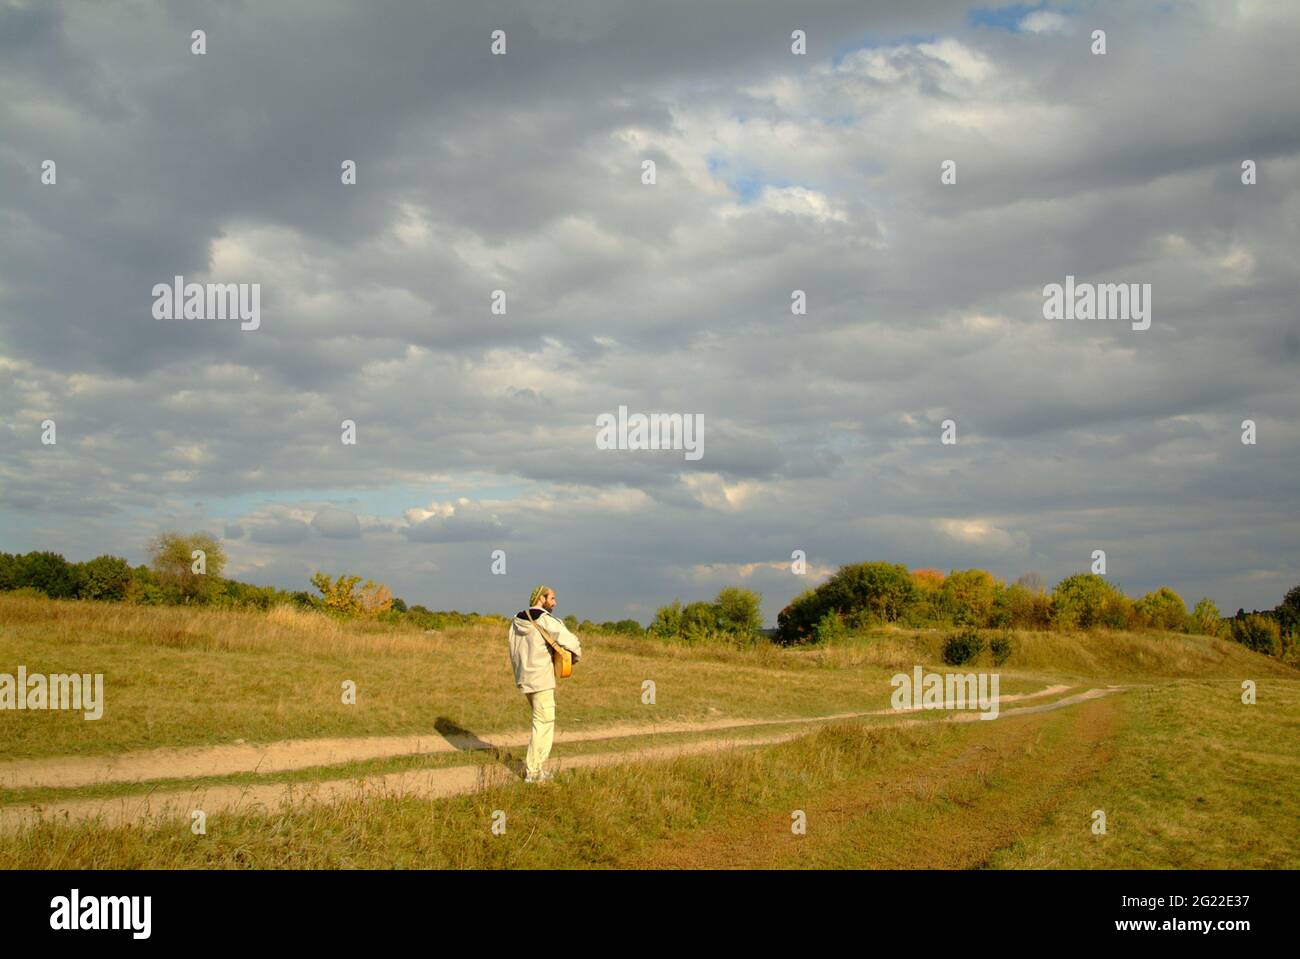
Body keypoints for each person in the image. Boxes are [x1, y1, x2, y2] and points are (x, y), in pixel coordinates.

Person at [508, 585, 582, 783]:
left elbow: (513, 651)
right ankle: (533, 772)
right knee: (544, 724)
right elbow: (571, 641)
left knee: (539, 720)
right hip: (542, 679)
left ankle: (537, 770)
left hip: (525, 679)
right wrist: (575, 657)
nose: (555, 603)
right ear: (541, 598)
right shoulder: (545, 619)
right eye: (552, 598)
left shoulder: (516, 620)